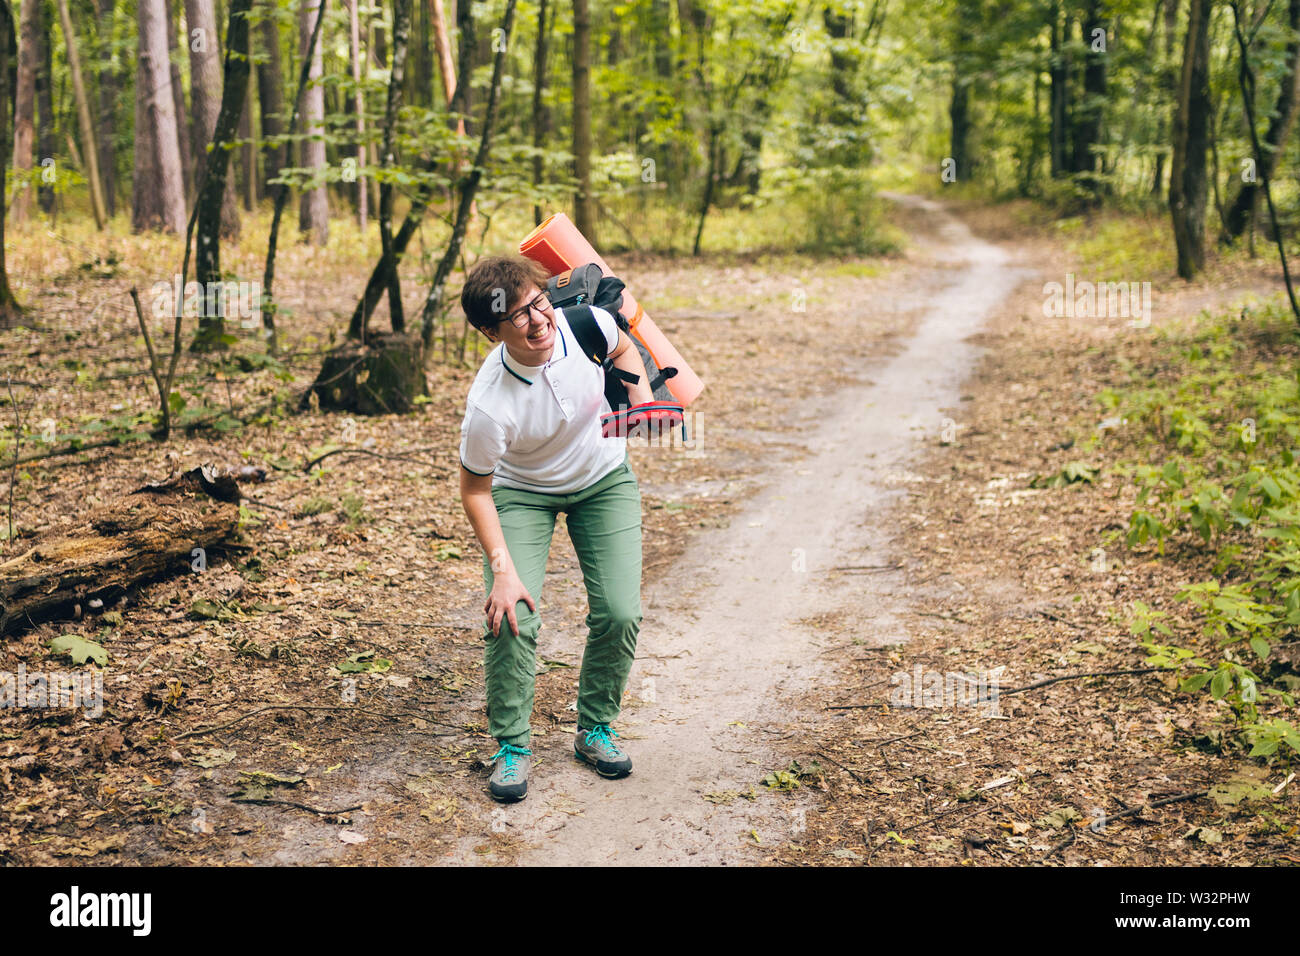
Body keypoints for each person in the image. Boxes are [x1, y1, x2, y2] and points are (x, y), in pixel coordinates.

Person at [457, 255, 655, 802]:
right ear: (489, 332)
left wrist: (638, 394)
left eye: (539, 303)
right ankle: (512, 745)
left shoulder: (586, 321)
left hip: (602, 477)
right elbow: (475, 490)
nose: (539, 320)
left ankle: (595, 728)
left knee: (620, 611)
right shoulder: (489, 405)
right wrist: (502, 572)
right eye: (518, 316)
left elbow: (619, 346)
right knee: (511, 613)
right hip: (523, 492)